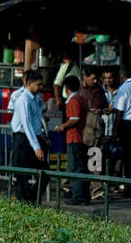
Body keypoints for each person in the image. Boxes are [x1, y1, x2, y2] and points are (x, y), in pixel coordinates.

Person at [104, 66, 131, 200]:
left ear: (121, 77)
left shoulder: (124, 89)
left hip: (127, 125)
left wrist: (116, 130)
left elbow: (119, 112)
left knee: (129, 158)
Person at [9, 69, 48, 204]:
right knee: (22, 175)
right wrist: (36, 147)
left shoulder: (36, 98)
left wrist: (42, 136)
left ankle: (31, 199)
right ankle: (24, 203)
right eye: (38, 85)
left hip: (34, 137)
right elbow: (27, 125)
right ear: (29, 84)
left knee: (45, 173)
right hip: (22, 139)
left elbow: (36, 120)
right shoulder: (23, 100)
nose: (40, 87)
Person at [56, 75, 89, 204]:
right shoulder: (81, 99)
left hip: (74, 138)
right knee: (80, 167)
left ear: (66, 88)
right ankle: (82, 195)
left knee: (75, 167)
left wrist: (62, 126)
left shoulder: (73, 101)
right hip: (80, 137)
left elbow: (74, 119)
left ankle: (78, 196)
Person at [82, 69, 107, 201]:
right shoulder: (80, 89)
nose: (95, 81)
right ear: (85, 77)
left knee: (95, 157)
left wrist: (103, 110)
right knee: (80, 159)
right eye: (92, 78)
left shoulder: (100, 90)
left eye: (97, 79)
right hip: (84, 125)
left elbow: (105, 105)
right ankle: (76, 188)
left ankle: (96, 190)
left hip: (97, 125)